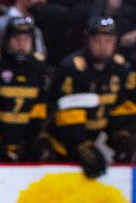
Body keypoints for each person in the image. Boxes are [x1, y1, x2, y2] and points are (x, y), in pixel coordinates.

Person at [47, 17, 136, 170]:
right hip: (59, 144)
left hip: (92, 137)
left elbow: (120, 107)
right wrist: (82, 146)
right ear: (87, 41)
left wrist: (121, 135)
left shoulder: (120, 68)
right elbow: (67, 114)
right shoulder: (72, 68)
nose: (103, 46)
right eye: (97, 40)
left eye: (108, 41)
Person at [0, 15, 50, 161]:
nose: (21, 45)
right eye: (16, 39)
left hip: (23, 140)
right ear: (6, 40)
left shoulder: (38, 66)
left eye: (26, 40)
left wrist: (36, 139)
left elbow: (39, 108)